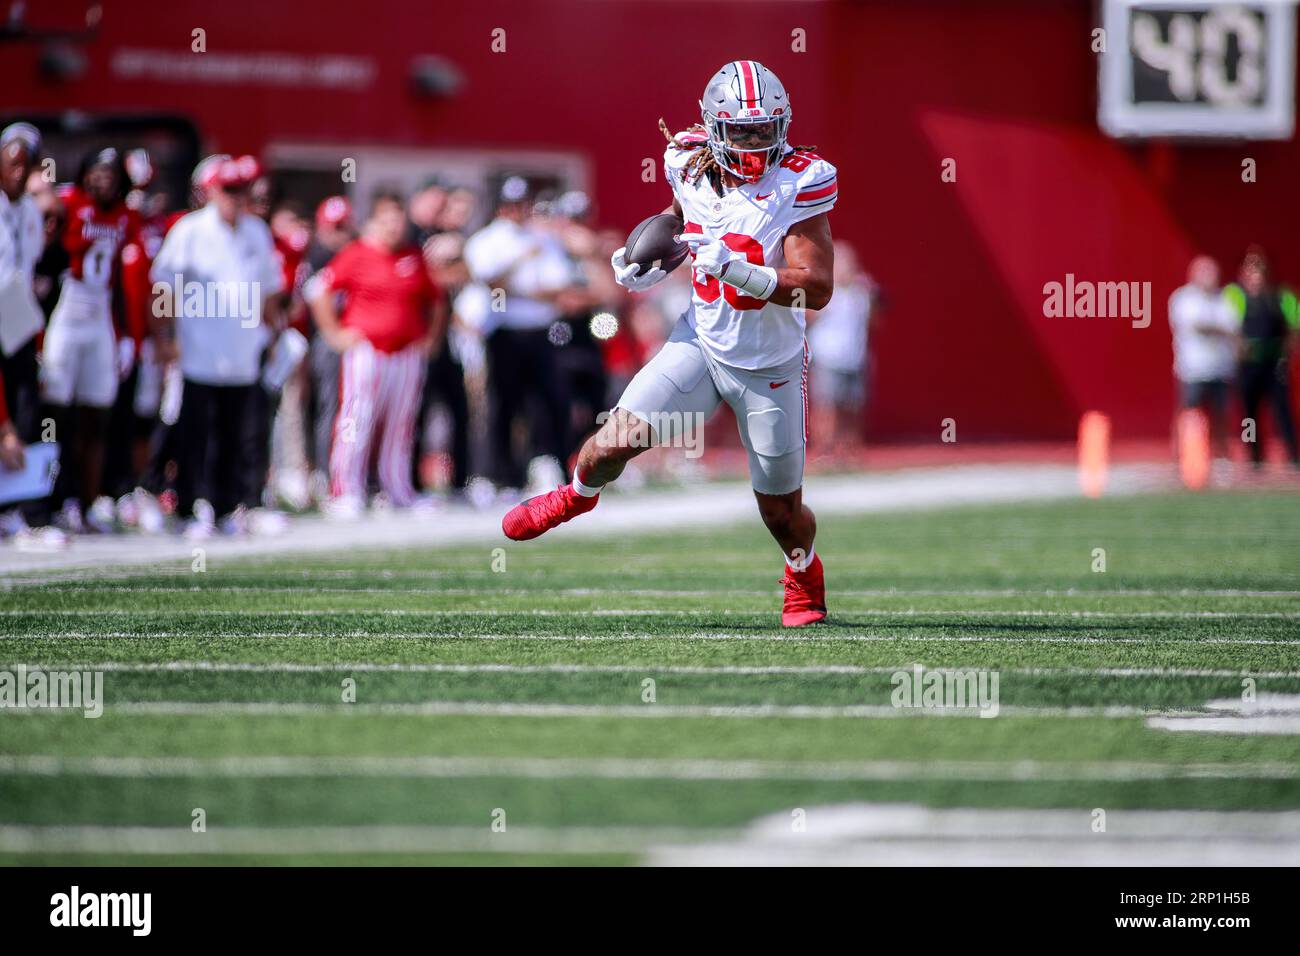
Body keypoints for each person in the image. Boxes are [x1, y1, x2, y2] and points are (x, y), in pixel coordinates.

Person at [502, 61, 836, 627]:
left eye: (764, 130)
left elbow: (817, 289)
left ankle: (803, 573)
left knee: (780, 511)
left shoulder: (801, 179)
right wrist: (647, 260)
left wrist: (736, 271)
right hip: (701, 344)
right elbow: (681, 220)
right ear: (713, 128)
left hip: (770, 364)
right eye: (742, 131)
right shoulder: (688, 159)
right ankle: (577, 496)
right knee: (611, 445)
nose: (755, 143)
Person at [148, 154, 285, 538]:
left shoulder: (256, 231)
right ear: (211, 190)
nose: (236, 198)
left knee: (234, 434)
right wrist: (164, 337)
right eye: (228, 189)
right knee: (193, 434)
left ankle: (227, 507)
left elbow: (270, 289)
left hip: (241, 351)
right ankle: (189, 506)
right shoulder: (190, 230)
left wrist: (272, 333)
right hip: (199, 350)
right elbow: (163, 285)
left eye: (241, 189)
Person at [308, 189, 443, 516]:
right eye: (387, 221)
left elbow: (436, 299)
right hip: (367, 350)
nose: (394, 228)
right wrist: (334, 333)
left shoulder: (413, 257)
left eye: (398, 221)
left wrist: (432, 339)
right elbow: (318, 290)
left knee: (401, 423)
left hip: (407, 351)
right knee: (357, 418)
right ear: (374, 223)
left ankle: (398, 489)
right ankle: (345, 490)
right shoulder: (356, 253)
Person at [42, 147, 141, 533]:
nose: (104, 179)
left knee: (96, 414)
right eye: (98, 171)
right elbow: (44, 204)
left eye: (112, 173)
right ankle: (52, 499)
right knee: (55, 413)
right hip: (66, 312)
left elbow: (127, 277)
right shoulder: (68, 201)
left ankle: (88, 501)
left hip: (100, 315)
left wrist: (127, 336)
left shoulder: (124, 216)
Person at [464, 176, 579, 491]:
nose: (518, 211)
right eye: (512, 204)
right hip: (504, 331)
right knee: (503, 403)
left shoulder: (544, 239)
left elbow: (558, 289)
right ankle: (501, 474)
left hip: (542, 331)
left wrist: (516, 289)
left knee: (550, 402)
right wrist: (519, 266)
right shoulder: (487, 240)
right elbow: (490, 283)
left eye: (523, 204)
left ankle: (550, 466)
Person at [0, 123, 52, 545]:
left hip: (18, 320)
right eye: (12, 163)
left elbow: (29, 268)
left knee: (26, 409)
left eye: (25, 166)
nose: (18, 173)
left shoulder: (31, 212)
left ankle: (20, 507)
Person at [1224, 249, 1299, 468]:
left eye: (1258, 268)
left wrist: (1287, 351)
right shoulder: (1235, 295)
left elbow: (1295, 325)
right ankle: (1254, 456)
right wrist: (1238, 346)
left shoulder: (1281, 296)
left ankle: (1294, 455)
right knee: (1249, 414)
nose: (1254, 274)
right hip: (1248, 365)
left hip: (1274, 363)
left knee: (1282, 409)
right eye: (1250, 268)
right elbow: (1228, 325)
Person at [303, 195, 355, 499]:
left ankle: (349, 473)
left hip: (353, 340)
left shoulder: (352, 254)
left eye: (344, 227)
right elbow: (317, 297)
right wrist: (334, 334)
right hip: (327, 340)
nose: (340, 233)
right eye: (335, 227)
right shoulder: (319, 256)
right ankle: (326, 472)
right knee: (330, 408)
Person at [1168, 255, 1237, 460]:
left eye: (1213, 272)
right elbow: (1195, 325)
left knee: (1221, 416)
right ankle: (1180, 457)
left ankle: (1222, 457)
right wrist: (1218, 328)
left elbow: (1232, 328)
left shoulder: (1224, 298)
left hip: (1220, 369)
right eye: (1205, 272)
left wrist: (1216, 328)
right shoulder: (1183, 298)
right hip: (1193, 369)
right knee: (1188, 414)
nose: (1210, 277)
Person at [808, 241, 874, 453]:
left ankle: (848, 449)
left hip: (854, 359)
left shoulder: (860, 293)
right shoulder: (824, 291)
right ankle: (824, 450)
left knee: (851, 406)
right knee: (826, 406)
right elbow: (806, 319)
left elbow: (874, 321)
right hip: (827, 358)